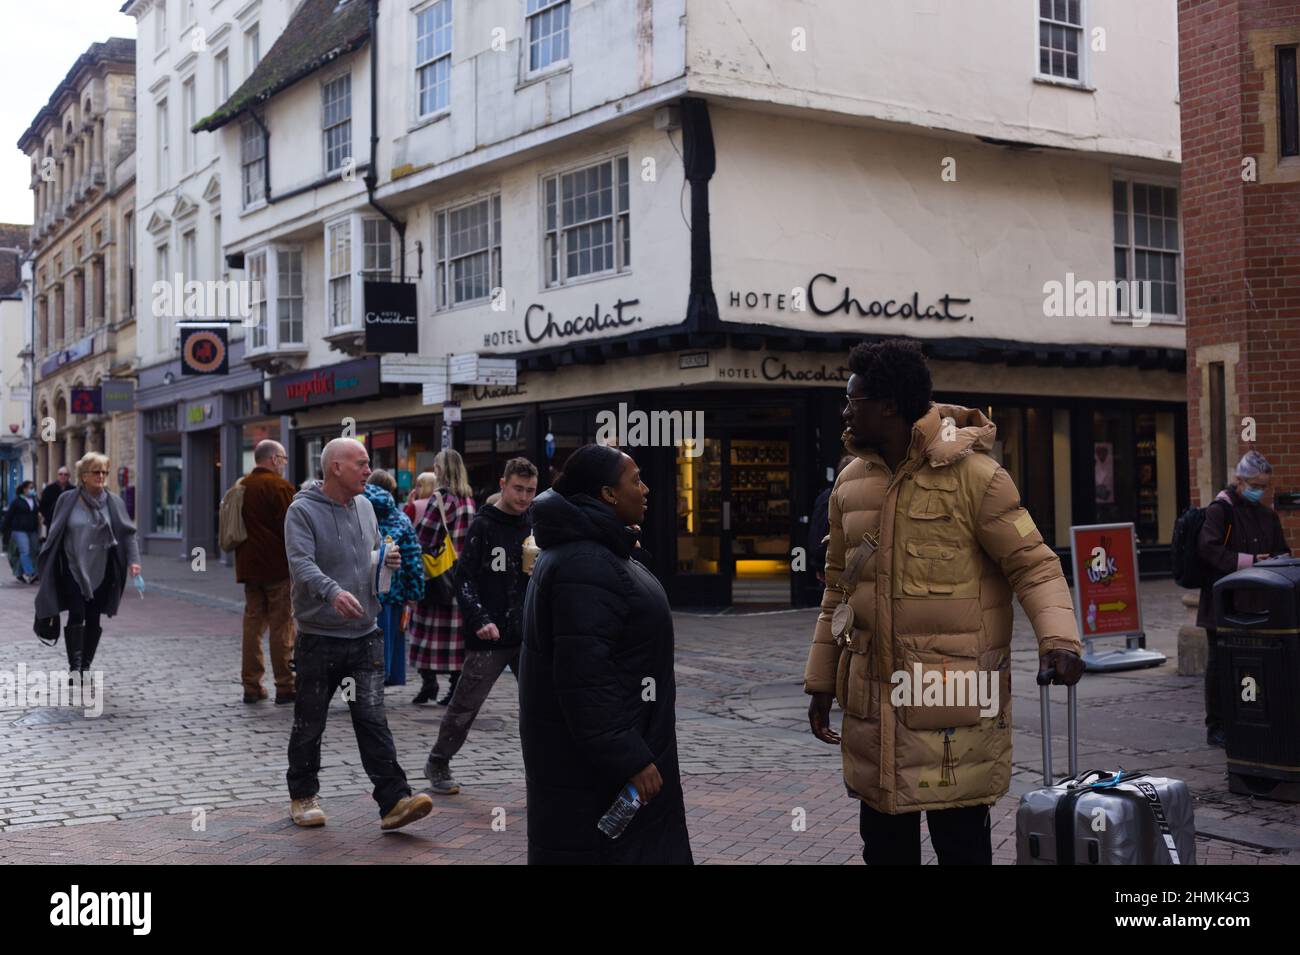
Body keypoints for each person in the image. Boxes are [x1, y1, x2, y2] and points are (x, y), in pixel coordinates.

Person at [804, 339, 1084, 866]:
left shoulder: (978, 478)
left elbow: (1034, 564)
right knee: (885, 854)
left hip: (951, 710)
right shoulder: (849, 485)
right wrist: (822, 683)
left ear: (887, 405)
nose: (844, 410)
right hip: (873, 713)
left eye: (853, 399)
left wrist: (1059, 640)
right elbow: (837, 590)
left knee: (963, 851)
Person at [519, 444, 693, 864]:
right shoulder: (586, 563)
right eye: (636, 480)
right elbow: (585, 678)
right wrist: (629, 757)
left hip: (615, 760)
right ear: (608, 494)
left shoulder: (600, 551)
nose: (646, 489)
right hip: (600, 775)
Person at [282, 437, 433, 831]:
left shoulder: (366, 506)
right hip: (319, 637)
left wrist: (387, 560)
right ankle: (303, 795)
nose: (369, 470)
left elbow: (369, 554)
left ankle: (394, 801)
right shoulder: (301, 511)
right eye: (361, 464)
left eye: (368, 464)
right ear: (336, 467)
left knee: (372, 718)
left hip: (366, 634)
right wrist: (332, 592)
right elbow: (301, 564)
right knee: (310, 720)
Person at [425, 457, 539, 795]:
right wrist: (480, 618)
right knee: (466, 703)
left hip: (527, 630)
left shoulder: (534, 522)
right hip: (489, 633)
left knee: (539, 705)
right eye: (518, 489)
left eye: (530, 490)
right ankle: (438, 760)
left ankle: (541, 770)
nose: (523, 497)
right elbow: (464, 578)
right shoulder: (484, 525)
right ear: (503, 484)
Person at [1196, 450, 1290, 747]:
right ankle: (1218, 725)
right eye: (1254, 484)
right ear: (1239, 480)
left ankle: (1250, 718)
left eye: (1263, 485)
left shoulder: (1266, 514)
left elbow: (1282, 549)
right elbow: (1209, 550)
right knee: (1220, 665)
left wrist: (1276, 560)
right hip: (1224, 603)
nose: (1258, 490)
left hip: (1259, 603)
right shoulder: (1220, 510)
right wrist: (1250, 562)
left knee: (1255, 664)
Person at [34, 453, 142, 681]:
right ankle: (75, 668)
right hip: (73, 568)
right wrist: (47, 562)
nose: (101, 476)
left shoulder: (114, 502)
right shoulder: (67, 500)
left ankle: (85, 665)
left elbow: (128, 534)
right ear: (83, 476)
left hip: (102, 569)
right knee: (77, 613)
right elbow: (56, 532)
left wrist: (134, 562)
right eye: (96, 472)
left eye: (104, 472)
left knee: (94, 618)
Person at [409, 449, 476, 706]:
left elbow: (423, 538)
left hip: (439, 575)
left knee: (426, 632)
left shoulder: (441, 499)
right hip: (461, 574)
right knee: (457, 637)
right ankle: (454, 687)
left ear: (441, 470)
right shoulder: (468, 500)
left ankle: (429, 684)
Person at [235, 440, 298, 704]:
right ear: (273, 459)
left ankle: (251, 685)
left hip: (249, 567)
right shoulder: (280, 487)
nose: (283, 464)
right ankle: (285, 685)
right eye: (282, 459)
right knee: (282, 626)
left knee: (252, 626)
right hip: (277, 567)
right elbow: (293, 529)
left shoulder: (241, 487)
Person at [364, 469, 425, 686]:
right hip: (391, 591)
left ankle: (355, 685)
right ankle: (380, 681)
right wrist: (414, 593)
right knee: (386, 640)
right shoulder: (399, 518)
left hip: (356, 590)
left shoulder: (354, 508)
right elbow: (412, 558)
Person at [808, 454, 856, 585]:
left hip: (829, 563)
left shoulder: (825, 496)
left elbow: (816, 531)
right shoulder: (855, 498)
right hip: (849, 564)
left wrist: (818, 564)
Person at [2, 480, 42, 583]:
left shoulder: (35, 500)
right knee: (25, 551)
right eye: (30, 488)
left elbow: (39, 511)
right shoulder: (17, 501)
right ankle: (31, 573)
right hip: (19, 530)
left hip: (32, 530)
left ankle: (18, 573)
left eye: (33, 488)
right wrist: (4, 529)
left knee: (33, 551)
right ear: (24, 489)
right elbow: (9, 516)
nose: (32, 490)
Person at [38, 465, 72, 536]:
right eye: (60, 474)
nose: (63, 476)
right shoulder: (49, 489)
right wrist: (49, 517)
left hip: (68, 523)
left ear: (69, 476)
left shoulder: (73, 489)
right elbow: (42, 506)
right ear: (57, 476)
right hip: (52, 522)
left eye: (65, 474)